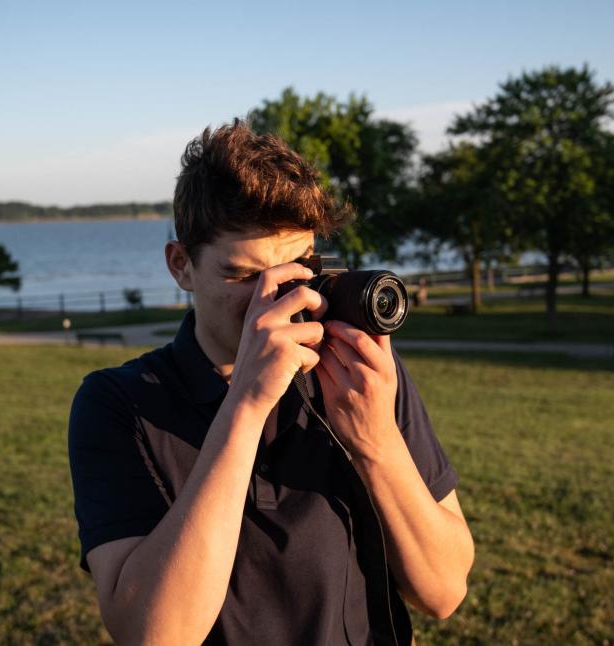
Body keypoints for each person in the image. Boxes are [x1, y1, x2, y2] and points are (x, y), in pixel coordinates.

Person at [67, 121, 474, 645]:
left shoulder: (356, 376)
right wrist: (246, 405)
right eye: (244, 276)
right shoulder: (119, 403)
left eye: (299, 269)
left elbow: (443, 591)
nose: (278, 299)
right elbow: (154, 635)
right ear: (181, 266)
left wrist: (374, 439)